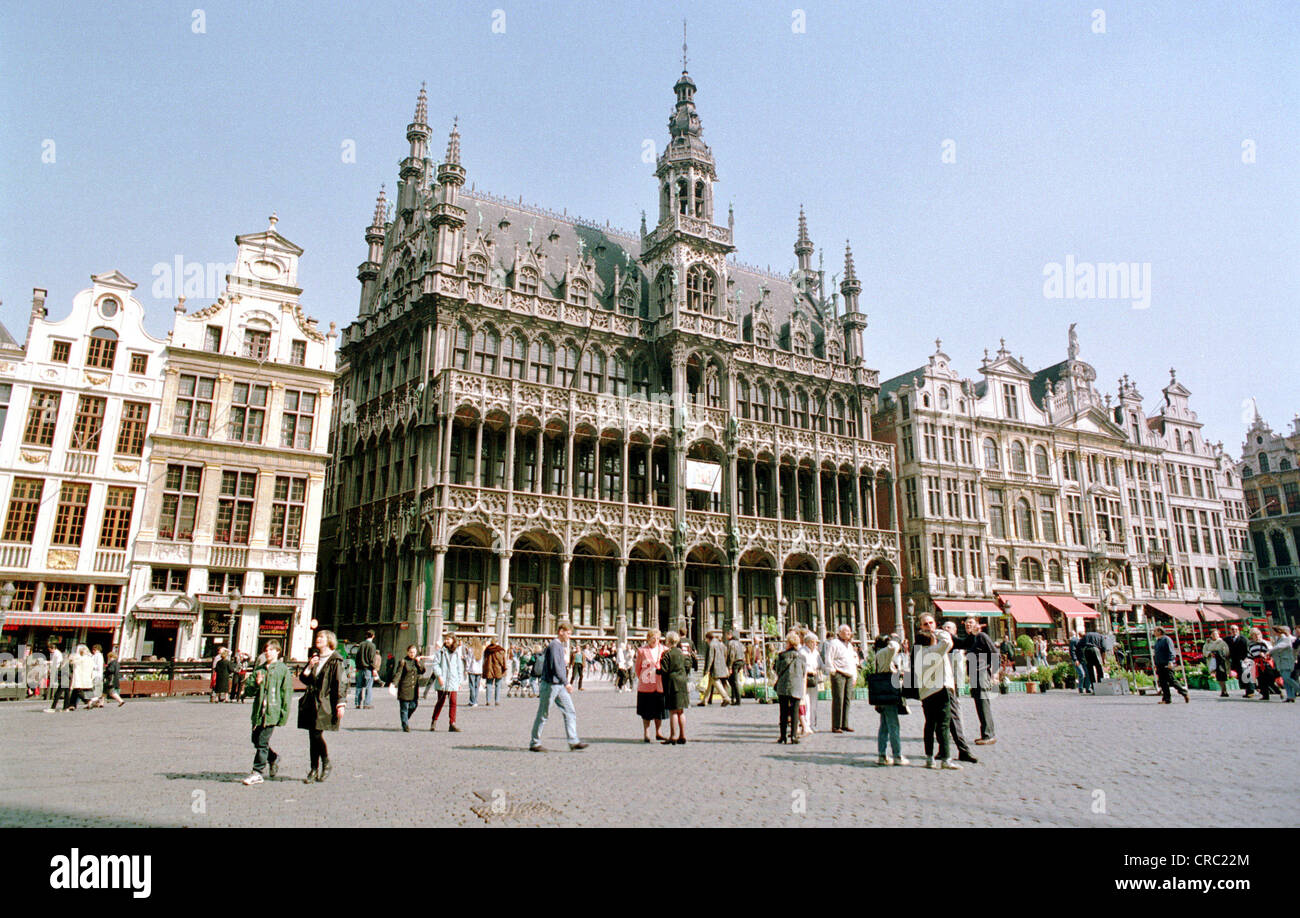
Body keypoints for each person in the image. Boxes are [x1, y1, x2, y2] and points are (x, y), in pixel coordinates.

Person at [529, 623, 586, 752]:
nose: (569, 636)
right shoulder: (554, 646)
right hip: (550, 685)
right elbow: (556, 667)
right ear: (561, 631)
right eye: (568, 633)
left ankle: (573, 741)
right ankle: (534, 742)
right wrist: (566, 683)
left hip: (558, 685)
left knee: (570, 711)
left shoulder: (559, 646)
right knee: (543, 713)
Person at [298, 630, 346, 783]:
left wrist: (341, 703)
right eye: (317, 637)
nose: (317, 639)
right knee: (313, 735)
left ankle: (325, 762)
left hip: (325, 702)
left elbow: (341, 682)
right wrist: (309, 666)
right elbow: (305, 680)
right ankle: (314, 769)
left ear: (329, 640)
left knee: (317, 734)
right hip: (312, 701)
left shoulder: (335, 660)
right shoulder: (316, 658)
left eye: (321, 637)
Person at [243, 639, 292, 785]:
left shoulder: (282, 670)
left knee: (262, 742)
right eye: (266, 649)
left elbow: (286, 693)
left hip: (272, 711)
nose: (267, 652)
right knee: (256, 740)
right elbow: (248, 691)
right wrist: (256, 683)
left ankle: (257, 772)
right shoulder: (259, 669)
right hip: (259, 712)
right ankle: (273, 758)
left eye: (271, 649)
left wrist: (283, 714)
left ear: (277, 651)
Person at [915, 614, 961, 769]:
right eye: (925, 624)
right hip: (940, 689)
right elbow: (948, 642)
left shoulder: (918, 652)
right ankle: (946, 759)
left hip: (925, 693)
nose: (928, 625)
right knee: (943, 725)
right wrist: (937, 631)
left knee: (929, 725)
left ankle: (929, 758)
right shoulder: (934, 650)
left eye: (930, 623)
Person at [954, 616, 999, 744]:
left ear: (977, 624)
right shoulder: (972, 639)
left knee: (983, 705)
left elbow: (995, 653)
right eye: (966, 623)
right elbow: (961, 643)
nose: (968, 624)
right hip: (975, 675)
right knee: (980, 705)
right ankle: (986, 734)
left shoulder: (981, 636)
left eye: (971, 622)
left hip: (982, 673)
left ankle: (988, 735)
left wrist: (994, 674)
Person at [941, 622, 978, 764]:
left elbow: (965, 643)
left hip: (948, 683)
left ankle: (963, 750)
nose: (945, 629)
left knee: (954, 718)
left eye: (931, 622)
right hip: (931, 685)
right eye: (926, 623)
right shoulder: (925, 639)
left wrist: (972, 634)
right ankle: (938, 753)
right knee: (935, 721)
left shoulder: (949, 639)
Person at [873, 634, 909, 765]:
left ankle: (882, 754)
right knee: (894, 725)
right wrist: (894, 639)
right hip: (889, 692)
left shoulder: (878, 654)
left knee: (884, 726)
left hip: (881, 693)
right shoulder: (885, 652)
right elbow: (894, 646)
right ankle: (897, 755)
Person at [658, 631, 690, 745]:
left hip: (672, 684)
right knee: (681, 711)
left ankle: (672, 736)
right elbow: (688, 665)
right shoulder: (682, 653)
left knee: (673, 711)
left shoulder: (667, 654)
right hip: (682, 683)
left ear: (668, 641)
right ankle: (682, 735)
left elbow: (664, 670)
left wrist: (657, 671)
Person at [774, 631, 806, 745]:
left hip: (783, 687)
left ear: (788, 643)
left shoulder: (781, 656)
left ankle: (782, 736)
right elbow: (803, 672)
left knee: (783, 712)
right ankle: (793, 736)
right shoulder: (802, 657)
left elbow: (777, 670)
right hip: (796, 686)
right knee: (794, 712)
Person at [826, 625, 859, 734]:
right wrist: (833, 671)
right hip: (839, 673)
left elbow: (853, 661)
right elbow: (829, 658)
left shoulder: (849, 645)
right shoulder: (834, 643)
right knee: (838, 699)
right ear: (840, 632)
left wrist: (854, 676)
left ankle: (845, 724)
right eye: (847, 631)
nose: (849, 633)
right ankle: (836, 725)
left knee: (847, 699)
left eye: (850, 631)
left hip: (849, 674)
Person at [635, 630, 667, 742]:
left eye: (657, 638)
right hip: (646, 685)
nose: (655, 640)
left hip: (659, 684)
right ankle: (647, 733)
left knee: (659, 711)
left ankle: (659, 732)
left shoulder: (664, 650)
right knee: (646, 711)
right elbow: (637, 668)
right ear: (648, 638)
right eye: (653, 638)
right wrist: (644, 678)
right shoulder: (641, 651)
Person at [429, 633, 465, 731]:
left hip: (453, 680)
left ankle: (452, 723)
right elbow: (436, 665)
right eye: (446, 639)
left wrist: (460, 681)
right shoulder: (440, 652)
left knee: (453, 702)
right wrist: (439, 676)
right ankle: (434, 721)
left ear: (453, 640)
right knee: (440, 701)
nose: (447, 641)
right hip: (443, 680)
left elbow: (459, 667)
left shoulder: (457, 652)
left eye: (449, 639)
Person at [1151, 626, 1189, 704]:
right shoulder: (1158, 641)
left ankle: (1184, 692)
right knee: (1163, 682)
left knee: (1171, 680)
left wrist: (1171, 661)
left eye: (1155, 631)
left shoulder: (1166, 639)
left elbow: (1171, 651)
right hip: (1159, 664)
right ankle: (1166, 699)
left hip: (1166, 663)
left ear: (1159, 631)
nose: (1153, 633)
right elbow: (1156, 653)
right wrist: (1155, 663)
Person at [392, 644, 426, 731]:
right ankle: (405, 725)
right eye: (410, 652)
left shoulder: (416, 661)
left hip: (414, 688)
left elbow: (422, 671)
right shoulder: (403, 661)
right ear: (407, 652)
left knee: (414, 705)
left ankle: (405, 719)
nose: (412, 654)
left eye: (414, 652)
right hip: (404, 688)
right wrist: (393, 684)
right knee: (404, 707)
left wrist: (418, 662)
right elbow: (398, 674)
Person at [700, 631, 732, 706]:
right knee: (710, 683)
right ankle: (705, 700)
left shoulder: (711, 645)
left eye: (706, 639)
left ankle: (726, 697)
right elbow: (725, 654)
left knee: (716, 682)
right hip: (722, 665)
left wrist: (707, 669)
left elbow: (710, 658)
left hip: (714, 667)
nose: (706, 641)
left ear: (708, 638)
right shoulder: (721, 644)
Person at [799, 633, 821, 735]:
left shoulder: (816, 652)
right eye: (813, 642)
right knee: (806, 702)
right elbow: (801, 666)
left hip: (814, 679)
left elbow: (820, 664)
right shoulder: (802, 652)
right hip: (806, 678)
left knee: (814, 702)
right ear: (807, 642)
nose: (815, 644)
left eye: (816, 642)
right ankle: (806, 724)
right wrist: (810, 670)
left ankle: (813, 724)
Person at [1248, 628, 1278, 701]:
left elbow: (1272, 651)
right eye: (1255, 635)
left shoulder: (1265, 643)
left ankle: (1278, 691)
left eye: (1258, 634)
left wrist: (1265, 655)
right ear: (1252, 636)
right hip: (1257, 664)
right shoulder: (1251, 645)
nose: (1257, 636)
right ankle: (1265, 695)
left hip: (1266, 663)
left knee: (1269, 679)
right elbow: (1250, 655)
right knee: (1261, 680)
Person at [353, 630, 379, 709]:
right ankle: (366, 704)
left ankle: (357, 703)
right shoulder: (372, 646)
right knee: (368, 686)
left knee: (359, 686)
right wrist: (374, 669)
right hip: (368, 669)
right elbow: (372, 658)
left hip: (360, 668)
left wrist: (357, 667)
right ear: (373, 636)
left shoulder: (361, 644)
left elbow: (357, 657)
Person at [1271, 626, 1298, 702]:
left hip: (1287, 661)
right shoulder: (1277, 639)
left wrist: (1269, 652)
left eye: (1274, 631)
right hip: (1280, 662)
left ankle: (1298, 688)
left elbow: (1278, 647)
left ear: (1278, 631)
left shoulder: (1286, 638)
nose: (1273, 633)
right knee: (1285, 680)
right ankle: (1290, 696)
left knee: (1286, 678)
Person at [1202, 629, 1231, 698]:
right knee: (1218, 676)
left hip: (1221, 662)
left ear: (1219, 634)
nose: (1215, 635)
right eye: (1213, 634)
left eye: (1216, 634)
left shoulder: (1222, 642)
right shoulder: (1208, 643)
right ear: (1210, 635)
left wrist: (1220, 653)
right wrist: (1209, 654)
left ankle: (1224, 690)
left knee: (1222, 675)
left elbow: (1227, 651)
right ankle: (1223, 690)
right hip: (1213, 661)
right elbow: (1204, 651)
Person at [1226, 623, 1252, 697]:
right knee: (1241, 676)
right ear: (1230, 630)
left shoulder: (1243, 638)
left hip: (1244, 660)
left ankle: (1250, 691)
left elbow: (1248, 648)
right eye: (1232, 629)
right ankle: (1247, 691)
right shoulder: (1228, 639)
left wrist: (1247, 657)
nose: (1234, 631)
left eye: (1236, 629)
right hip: (1235, 661)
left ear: (1238, 630)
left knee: (1246, 675)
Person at [65, 645, 94, 711]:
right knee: (78, 690)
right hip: (87, 677)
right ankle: (72, 705)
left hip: (79, 677)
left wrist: (70, 658)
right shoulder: (90, 658)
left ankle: (88, 701)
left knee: (78, 690)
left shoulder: (80, 658)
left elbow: (72, 661)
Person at [482, 637, 507, 706]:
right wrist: (504, 668)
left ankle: (488, 700)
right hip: (498, 669)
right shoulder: (500, 650)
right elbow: (502, 661)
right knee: (498, 685)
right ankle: (497, 700)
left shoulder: (487, 650)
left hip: (489, 669)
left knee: (489, 684)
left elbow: (485, 660)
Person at [44, 639, 67, 713]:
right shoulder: (56, 653)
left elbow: (56, 662)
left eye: (50, 649)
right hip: (61, 674)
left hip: (58, 672)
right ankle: (66, 707)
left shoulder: (57, 654)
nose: (49, 651)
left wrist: (48, 662)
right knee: (66, 691)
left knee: (59, 691)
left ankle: (53, 707)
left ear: (52, 648)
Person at [726, 629, 746, 705]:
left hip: (735, 662)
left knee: (734, 681)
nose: (726, 636)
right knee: (731, 680)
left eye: (727, 635)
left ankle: (738, 700)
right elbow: (744, 651)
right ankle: (733, 698)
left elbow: (731, 655)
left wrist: (730, 666)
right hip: (741, 661)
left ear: (730, 635)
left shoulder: (731, 643)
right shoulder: (739, 643)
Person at [466, 638, 484, 708]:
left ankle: (473, 701)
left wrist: (467, 668)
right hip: (479, 670)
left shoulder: (471, 650)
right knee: (477, 686)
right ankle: (474, 700)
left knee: (472, 686)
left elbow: (469, 660)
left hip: (472, 670)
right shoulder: (481, 650)